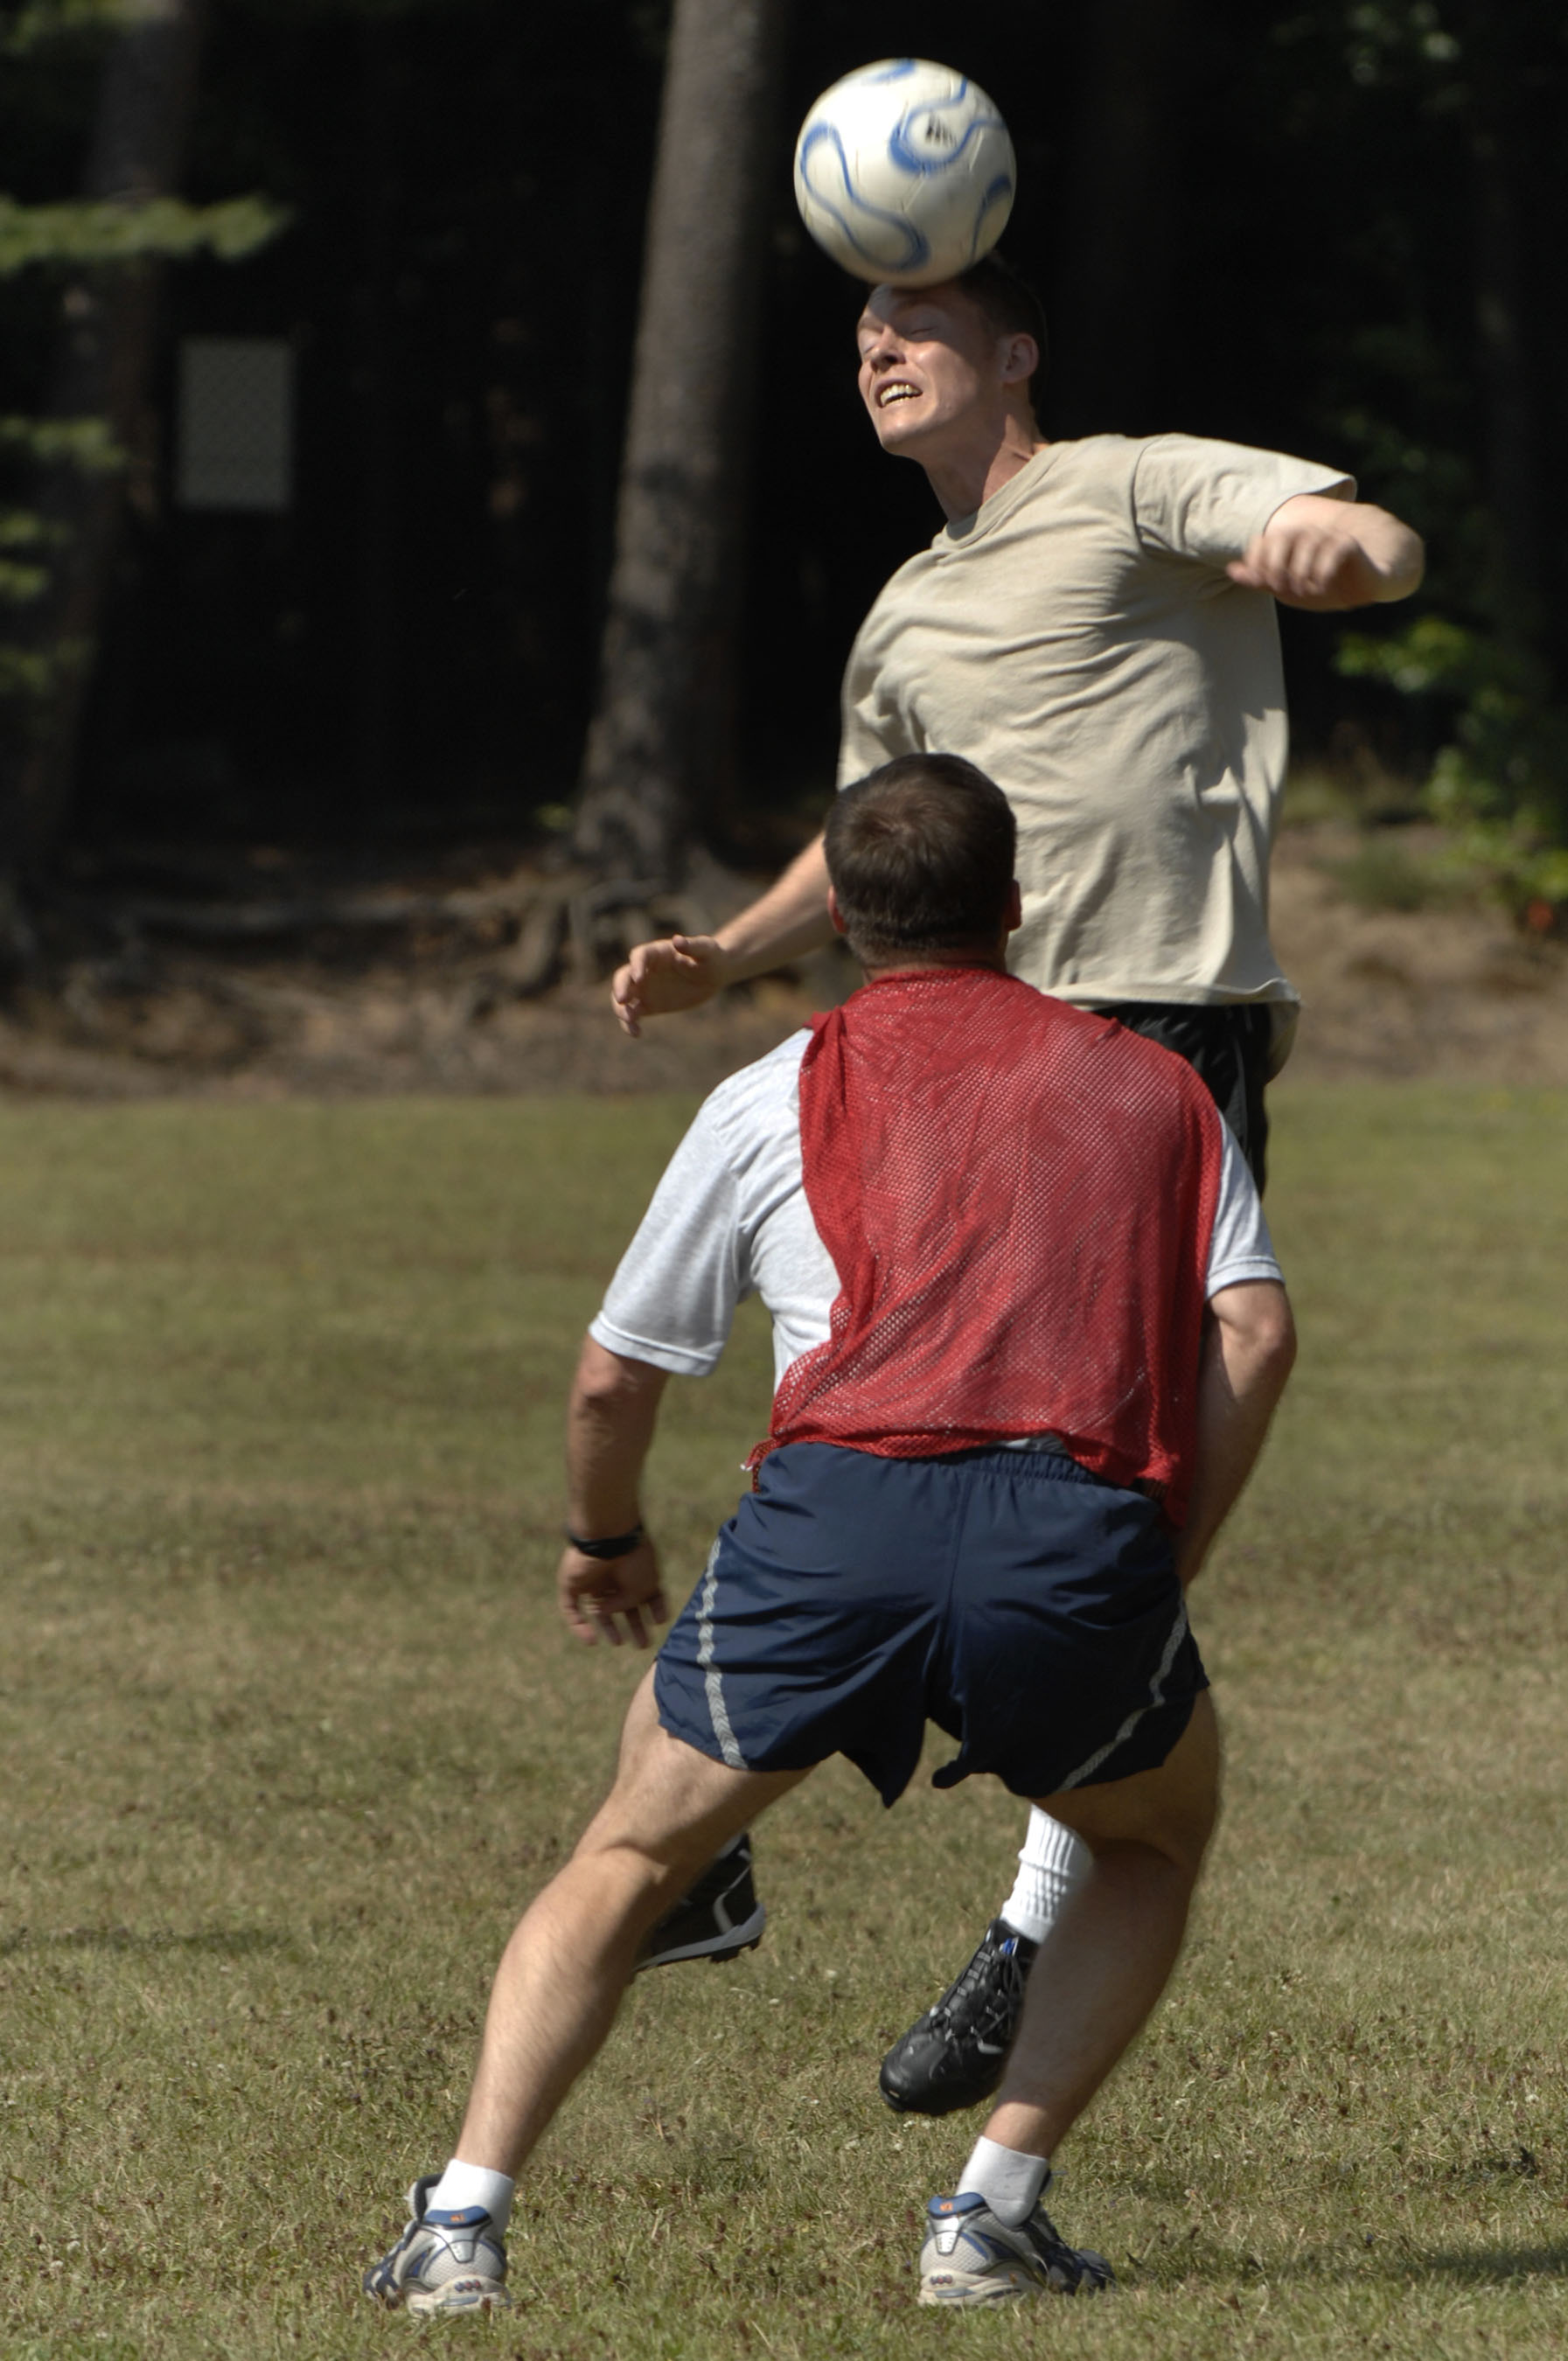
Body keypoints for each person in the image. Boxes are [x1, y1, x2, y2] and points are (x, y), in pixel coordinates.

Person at [610, 254, 1423, 2112]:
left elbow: (1351, 534)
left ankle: (1038, 1908)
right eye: (864, 334)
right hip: (958, 1052)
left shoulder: (1130, 487)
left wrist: (1350, 558)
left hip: (1145, 1053)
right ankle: (713, 1830)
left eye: (922, 324)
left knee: (1104, 1499)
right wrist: (726, 959)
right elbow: (863, 841)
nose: (883, 350)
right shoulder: (904, 611)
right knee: (846, 1405)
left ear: (1016, 353)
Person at [363, 757, 1297, 2316]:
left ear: (845, 925)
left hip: (832, 1526)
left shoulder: (767, 1092)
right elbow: (1252, 1338)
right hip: (1067, 1540)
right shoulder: (1153, 1084)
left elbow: (614, 1375)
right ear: (1016, 904)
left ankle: (461, 2225)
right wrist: (1163, 1548)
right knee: (1144, 1838)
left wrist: (603, 1538)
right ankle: (987, 2215)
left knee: (627, 1850)